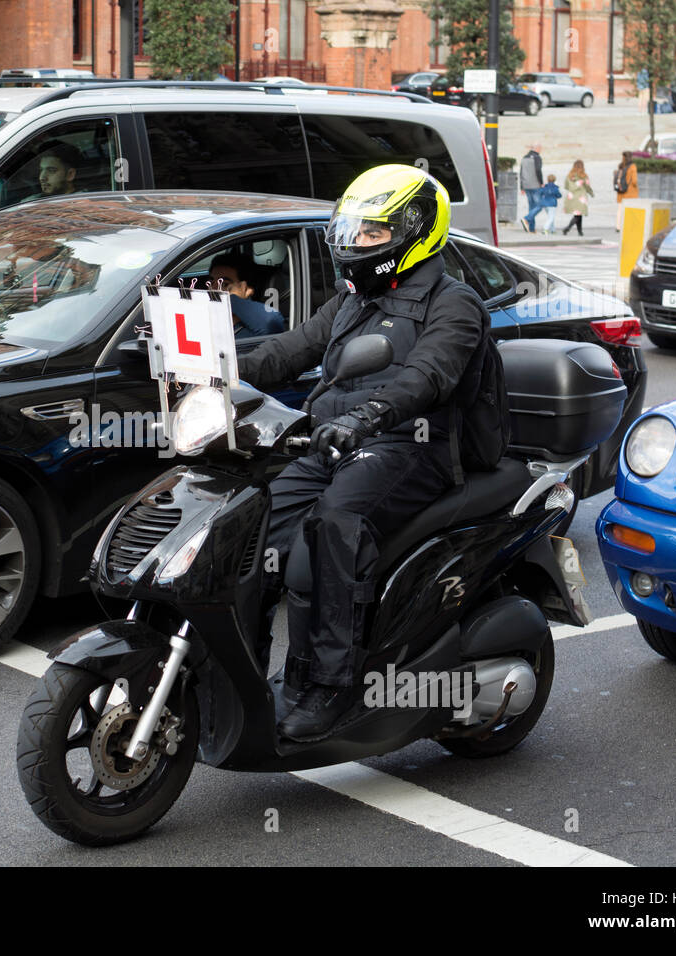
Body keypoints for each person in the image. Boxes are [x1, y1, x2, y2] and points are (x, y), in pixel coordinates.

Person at [238, 164, 490, 740]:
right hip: (338, 442)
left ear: (416, 230)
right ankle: (243, 663)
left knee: (335, 524)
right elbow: (289, 349)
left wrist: (367, 415)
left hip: (411, 447)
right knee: (252, 520)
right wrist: (218, 372)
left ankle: (331, 683)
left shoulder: (454, 305)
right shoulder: (354, 299)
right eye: (352, 232)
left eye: (372, 234)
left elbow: (427, 377)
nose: (356, 245)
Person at [208, 252, 286, 338]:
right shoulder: (209, 318)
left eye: (225, 284)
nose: (213, 289)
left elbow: (270, 321)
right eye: (212, 282)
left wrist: (230, 299)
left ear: (247, 290)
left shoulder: (252, 331)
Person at [562, 159, 594, 236]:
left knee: (578, 215)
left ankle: (580, 231)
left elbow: (566, 186)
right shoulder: (583, 176)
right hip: (581, 197)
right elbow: (587, 186)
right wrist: (591, 193)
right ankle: (567, 228)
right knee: (578, 215)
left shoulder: (569, 175)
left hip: (571, 197)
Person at [519, 143, 544, 233]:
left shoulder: (524, 158)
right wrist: (541, 183)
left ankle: (531, 228)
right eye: (540, 148)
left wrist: (521, 187)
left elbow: (521, 172)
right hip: (535, 185)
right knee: (540, 205)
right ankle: (526, 219)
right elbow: (538, 170)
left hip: (526, 185)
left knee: (531, 206)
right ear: (537, 148)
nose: (541, 150)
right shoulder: (537, 158)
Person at [614, 151, 639, 231]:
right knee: (631, 210)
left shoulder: (621, 166)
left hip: (621, 192)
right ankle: (630, 226)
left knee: (620, 209)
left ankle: (618, 226)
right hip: (630, 192)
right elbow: (634, 181)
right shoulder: (633, 167)